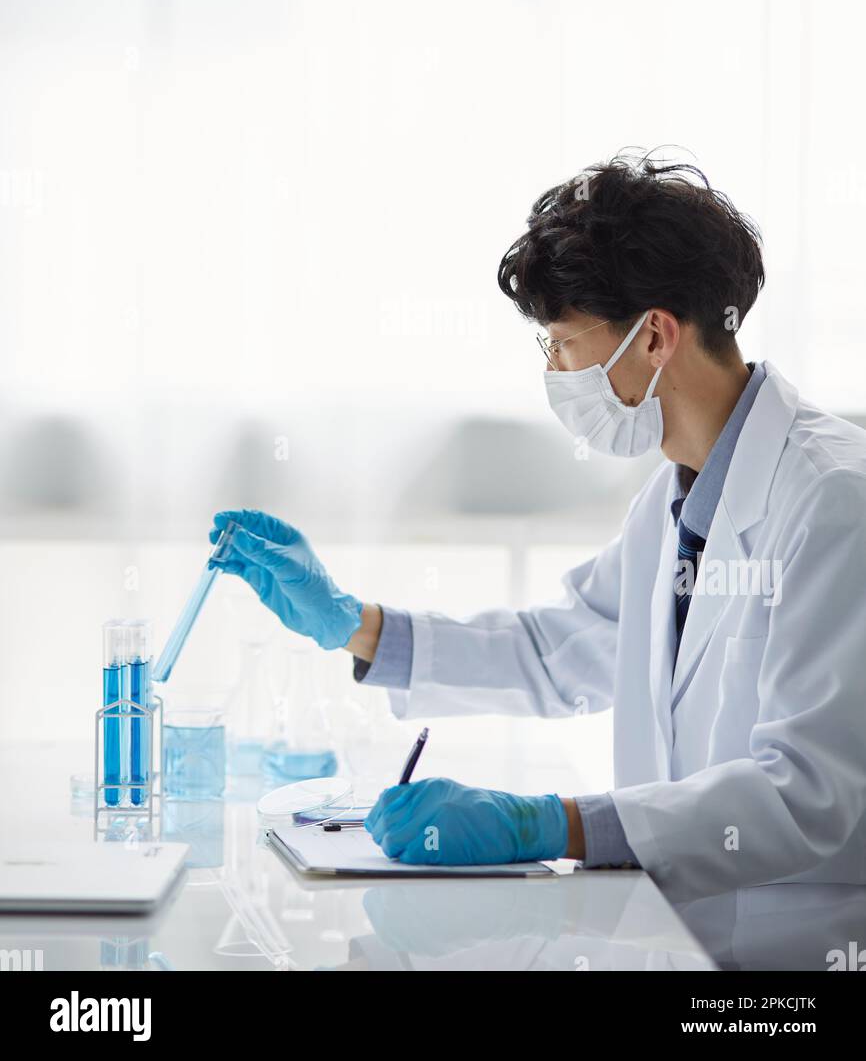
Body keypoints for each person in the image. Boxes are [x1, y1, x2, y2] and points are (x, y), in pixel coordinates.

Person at [210, 154, 866, 900]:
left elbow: (807, 793)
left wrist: (553, 825)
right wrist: (355, 627)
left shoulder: (836, 500)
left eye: (562, 343)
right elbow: (561, 651)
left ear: (654, 338)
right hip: (683, 933)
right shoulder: (675, 499)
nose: (555, 370)